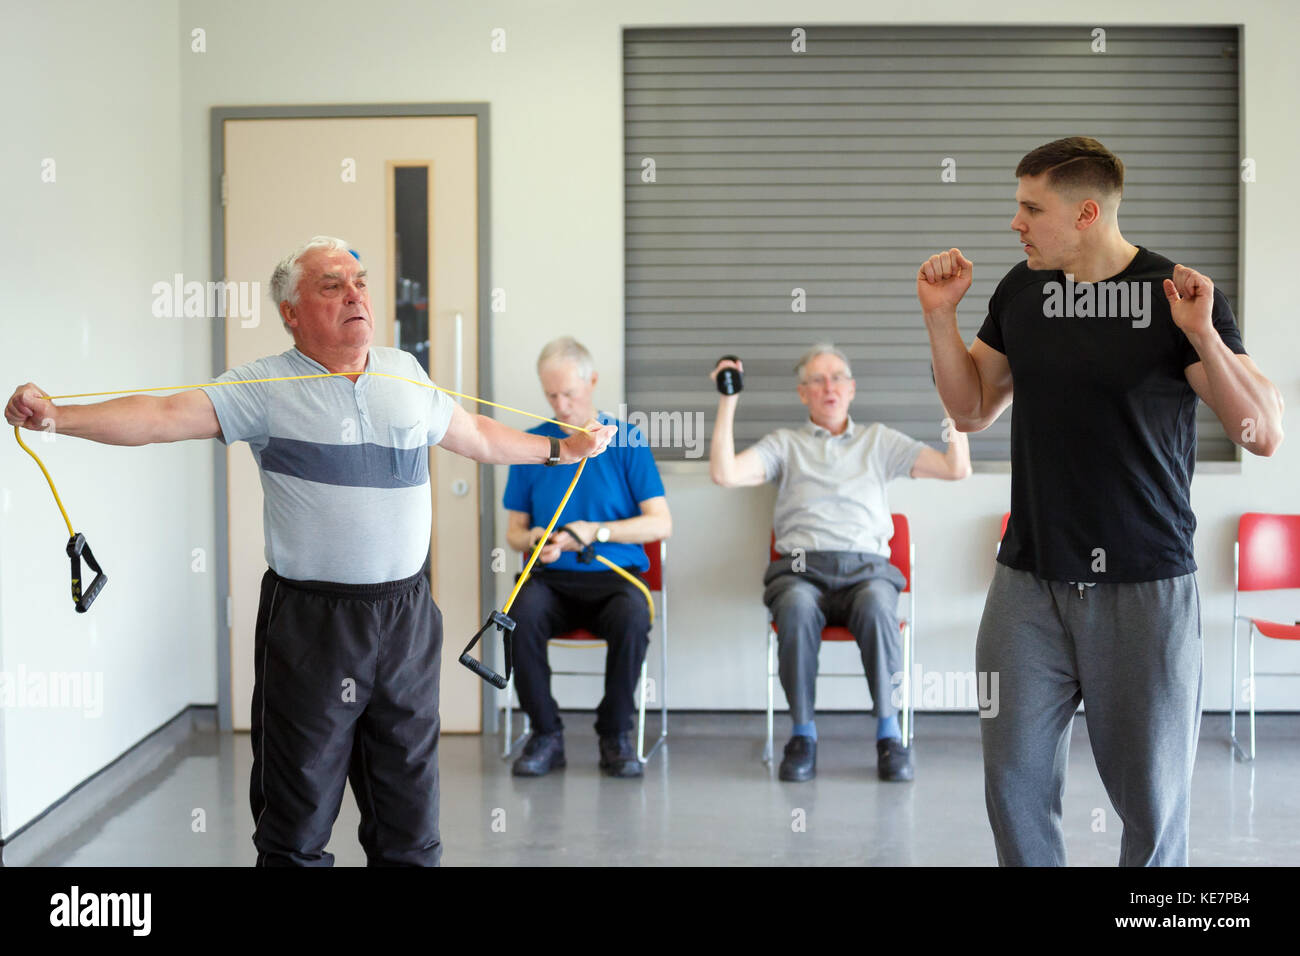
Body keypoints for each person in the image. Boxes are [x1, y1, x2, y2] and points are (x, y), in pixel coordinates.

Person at [4, 236, 616, 866]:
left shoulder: (405, 371)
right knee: (295, 829)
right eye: (331, 285)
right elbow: (162, 414)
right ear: (290, 312)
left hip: (406, 619)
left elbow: (479, 435)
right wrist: (58, 418)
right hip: (310, 625)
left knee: (410, 824)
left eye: (360, 281)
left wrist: (559, 450)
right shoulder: (263, 386)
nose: (355, 294)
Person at [917, 137, 1284, 866]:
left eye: (1031, 208)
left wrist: (1203, 335)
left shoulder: (1173, 295)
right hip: (1029, 579)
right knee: (1013, 785)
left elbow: (1263, 431)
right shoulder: (1023, 291)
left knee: (1151, 799)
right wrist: (939, 316)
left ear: (1086, 212)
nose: (1014, 223)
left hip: (1145, 584)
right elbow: (971, 411)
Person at [709, 344, 970, 783]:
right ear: (802, 393)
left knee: (875, 605)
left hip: (867, 570)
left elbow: (955, 469)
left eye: (836, 378)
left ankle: (890, 737)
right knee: (793, 606)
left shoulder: (880, 441)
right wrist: (728, 399)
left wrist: (951, 402)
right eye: (817, 380)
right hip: (800, 571)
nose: (828, 387)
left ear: (851, 389)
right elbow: (725, 474)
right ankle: (803, 735)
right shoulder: (785, 444)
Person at [503, 337, 672, 779]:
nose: (560, 405)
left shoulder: (627, 440)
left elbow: (660, 524)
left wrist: (591, 533)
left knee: (634, 617)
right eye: (551, 395)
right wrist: (535, 537)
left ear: (592, 381)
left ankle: (615, 734)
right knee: (519, 615)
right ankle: (545, 734)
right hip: (551, 579)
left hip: (615, 579)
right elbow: (514, 533)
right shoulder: (531, 445)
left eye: (570, 394)